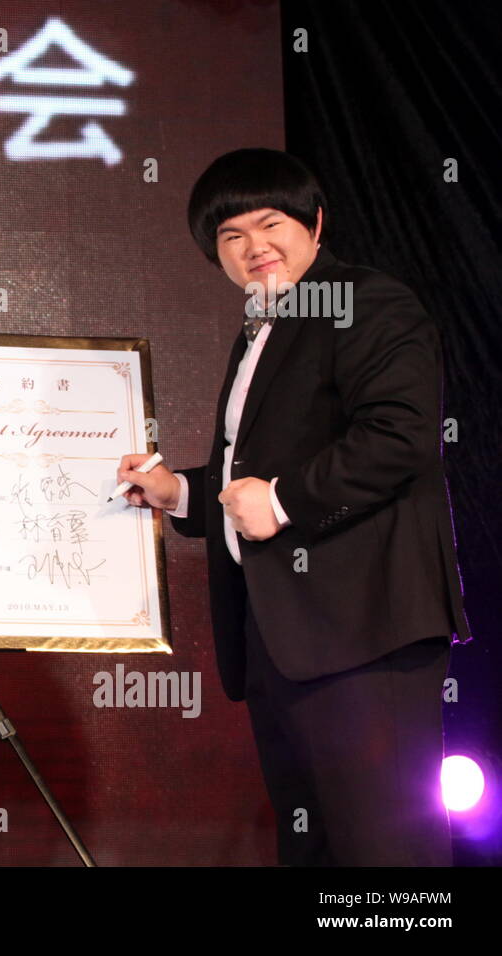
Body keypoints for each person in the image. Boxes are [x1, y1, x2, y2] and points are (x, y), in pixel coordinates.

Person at [117, 148, 470, 865]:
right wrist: (178, 492)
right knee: (314, 849)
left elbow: (399, 438)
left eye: (269, 223)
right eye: (231, 236)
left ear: (315, 223)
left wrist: (281, 502)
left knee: (386, 853)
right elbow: (245, 473)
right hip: (281, 640)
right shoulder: (261, 328)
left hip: (366, 628)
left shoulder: (366, 301)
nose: (254, 248)